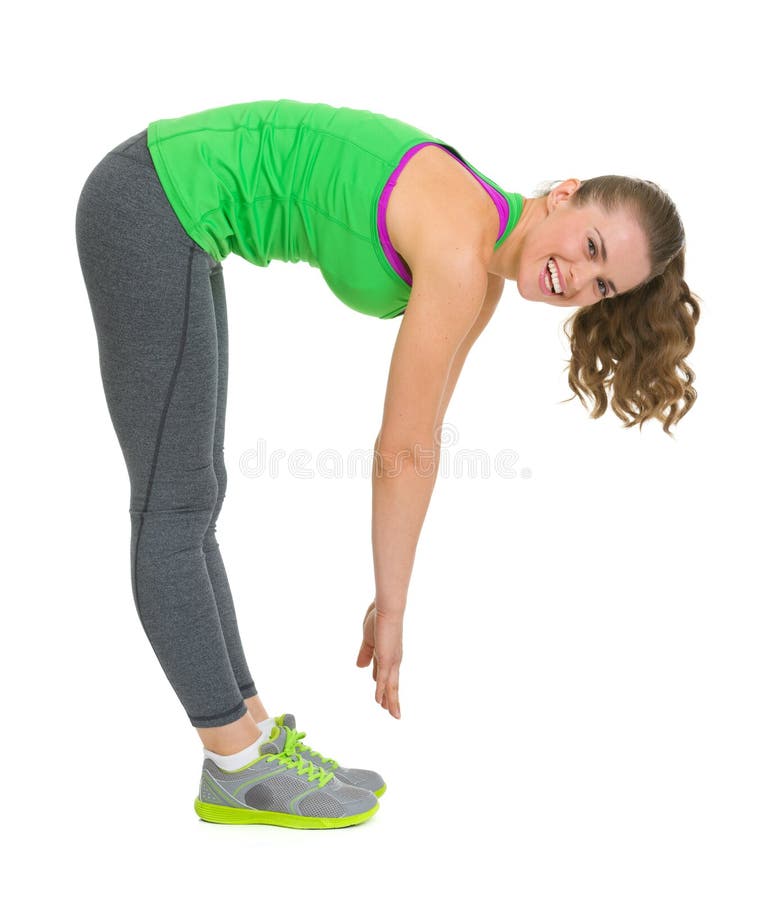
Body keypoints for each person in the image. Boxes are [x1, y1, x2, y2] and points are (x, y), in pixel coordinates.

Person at [74, 98, 701, 829]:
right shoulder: (464, 249)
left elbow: (425, 438)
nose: (578, 278)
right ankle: (234, 765)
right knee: (173, 507)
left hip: (172, 210)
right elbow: (398, 451)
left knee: (195, 498)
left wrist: (392, 594)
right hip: (148, 201)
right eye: (591, 247)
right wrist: (394, 606)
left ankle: (247, 730)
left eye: (603, 286)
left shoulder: (485, 272)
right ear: (565, 193)